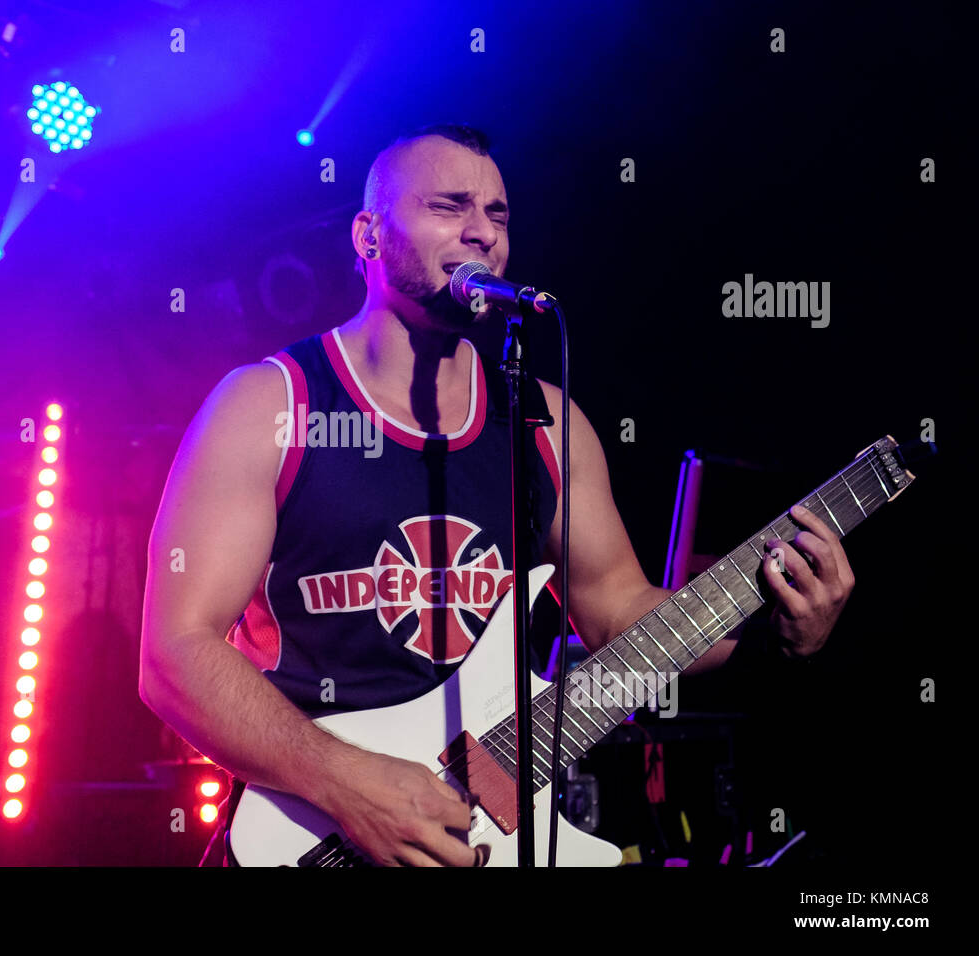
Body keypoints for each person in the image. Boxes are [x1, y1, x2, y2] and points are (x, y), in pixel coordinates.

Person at [138, 124, 855, 867]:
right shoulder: (269, 405)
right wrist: (347, 783)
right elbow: (174, 654)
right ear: (370, 235)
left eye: (499, 214)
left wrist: (772, 631)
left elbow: (619, 616)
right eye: (450, 207)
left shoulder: (544, 423)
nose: (482, 232)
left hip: (480, 830)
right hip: (313, 836)